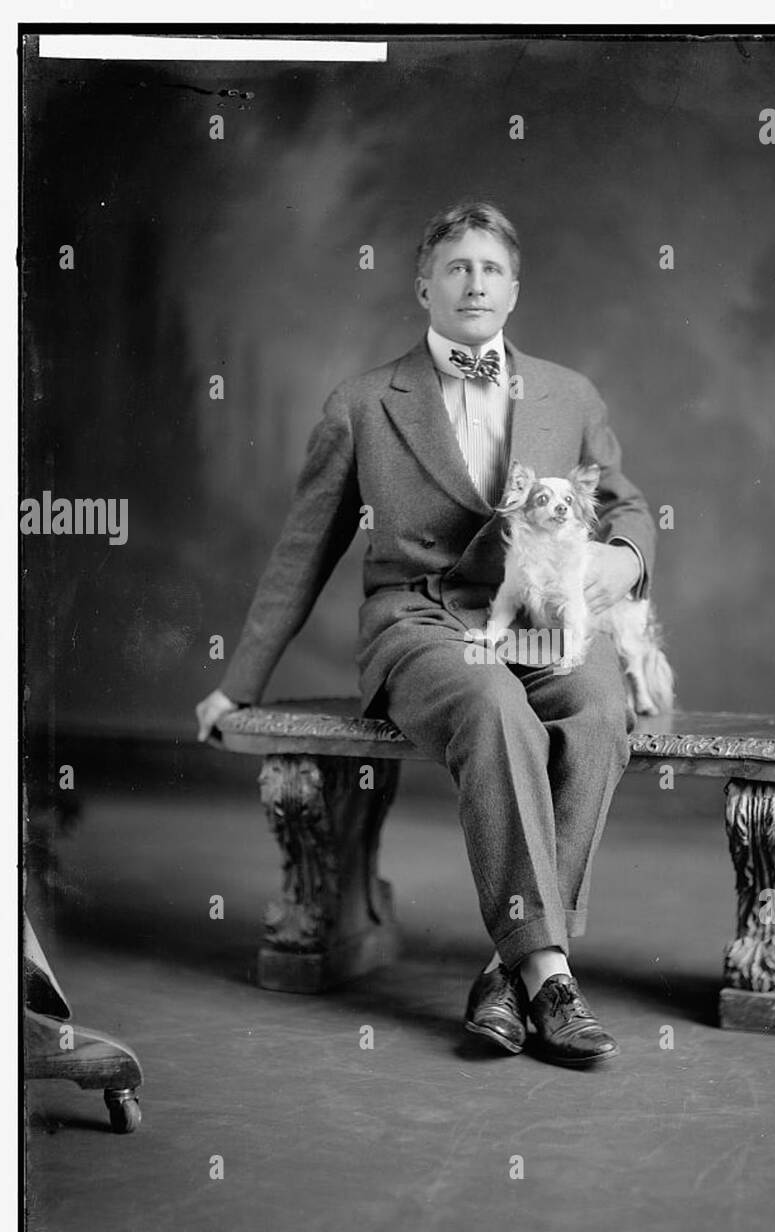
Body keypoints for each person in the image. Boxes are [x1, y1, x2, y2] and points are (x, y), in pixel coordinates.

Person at [195, 200, 657, 1067]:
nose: (474, 281)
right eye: (456, 267)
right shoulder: (363, 403)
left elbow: (627, 503)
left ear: (513, 290)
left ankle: (504, 971)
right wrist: (240, 681)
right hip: (420, 621)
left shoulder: (569, 392)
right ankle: (552, 976)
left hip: (543, 618)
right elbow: (304, 549)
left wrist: (622, 561)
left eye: (490, 268)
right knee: (494, 709)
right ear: (423, 286)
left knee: (597, 710)